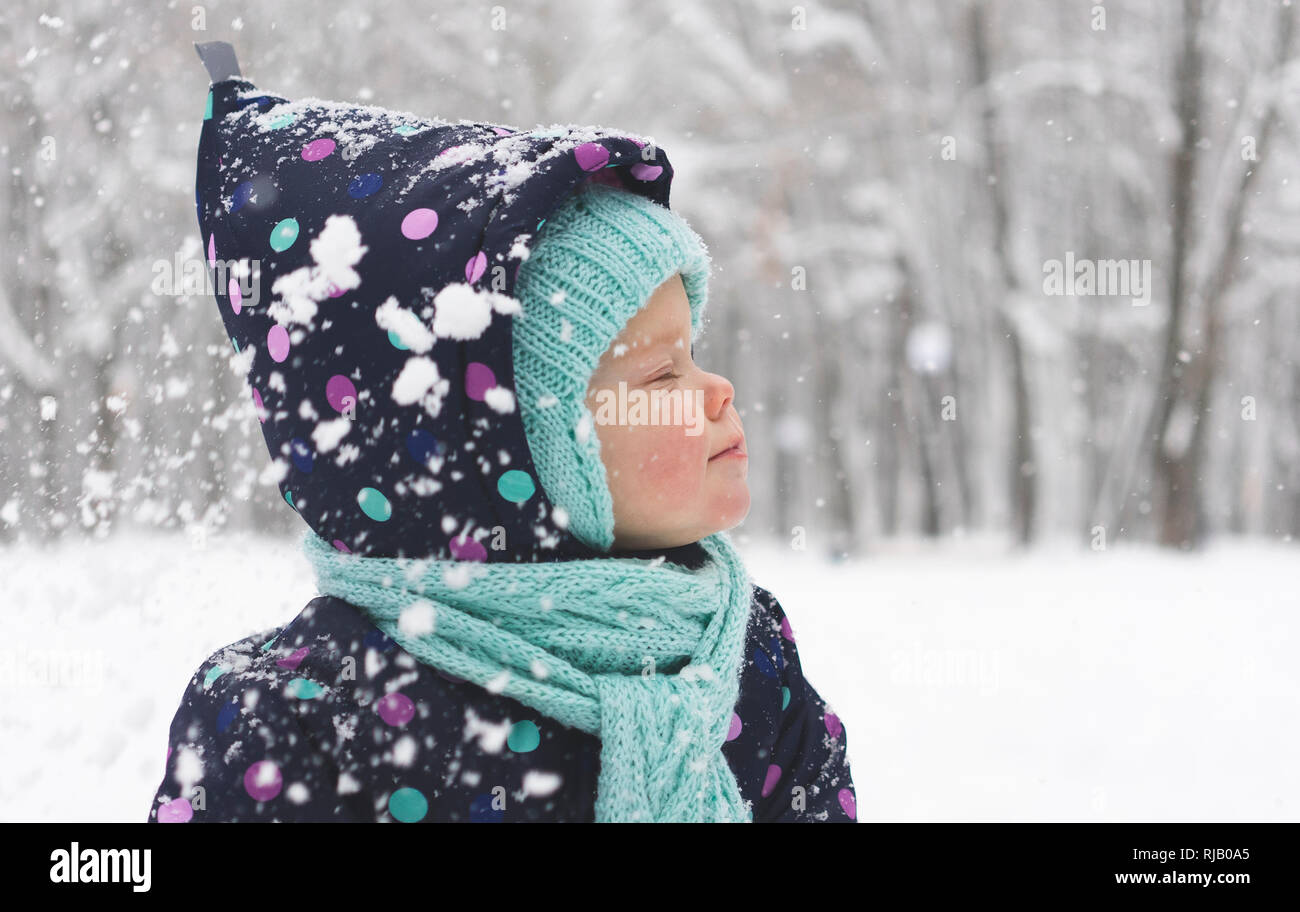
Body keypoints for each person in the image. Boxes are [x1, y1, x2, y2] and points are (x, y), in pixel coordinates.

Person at [145, 42, 856, 823]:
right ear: (511, 453)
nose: (717, 391)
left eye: (695, 354)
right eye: (661, 375)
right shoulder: (302, 717)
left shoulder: (742, 656)